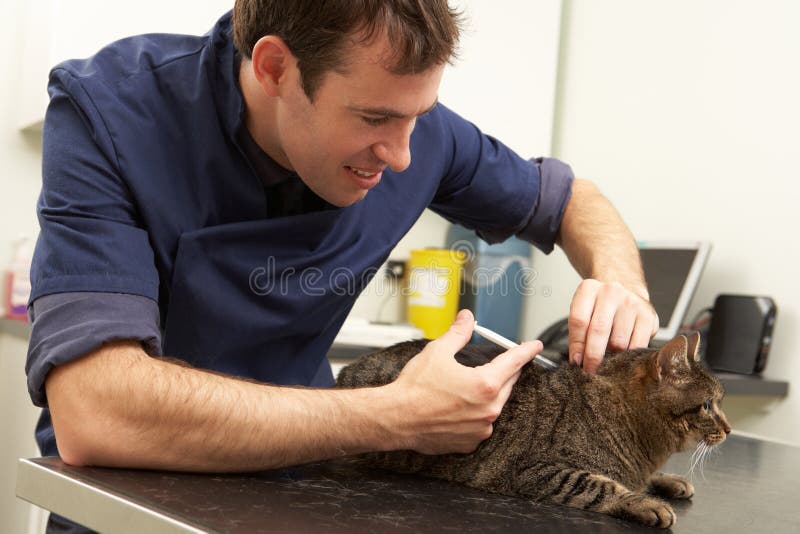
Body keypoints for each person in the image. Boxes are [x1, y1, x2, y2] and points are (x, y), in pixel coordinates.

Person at [26, 1, 657, 528]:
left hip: (311, 493)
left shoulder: (419, 136)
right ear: (275, 68)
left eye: (417, 116)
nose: (403, 156)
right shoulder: (111, 114)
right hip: (132, 503)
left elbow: (573, 201)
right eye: (374, 117)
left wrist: (620, 281)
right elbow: (95, 411)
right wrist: (396, 414)